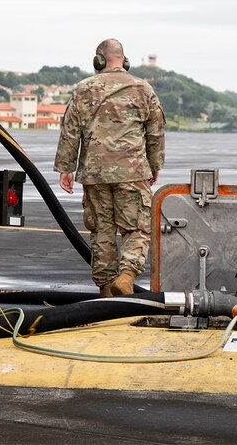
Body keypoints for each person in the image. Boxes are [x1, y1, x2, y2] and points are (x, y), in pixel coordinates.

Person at [54, 38, 165, 297]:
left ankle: (105, 290)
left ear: (99, 61)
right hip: (132, 171)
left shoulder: (83, 89)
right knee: (136, 228)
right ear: (124, 60)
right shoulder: (143, 89)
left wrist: (66, 168)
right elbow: (155, 132)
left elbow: (70, 131)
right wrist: (155, 164)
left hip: (95, 174)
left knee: (102, 230)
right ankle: (126, 276)